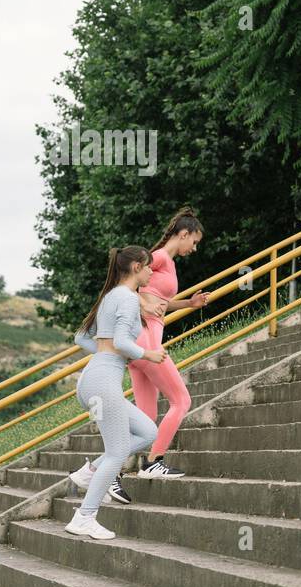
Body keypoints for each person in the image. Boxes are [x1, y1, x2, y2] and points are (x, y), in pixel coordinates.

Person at [69, 208, 209, 493]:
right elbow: (128, 287)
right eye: (193, 241)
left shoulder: (166, 262)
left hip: (139, 346)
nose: (194, 248)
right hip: (145, 343)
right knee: (181, 400)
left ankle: (110, 473)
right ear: (183, 234)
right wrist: (143, 306)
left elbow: (155, 299)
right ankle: (153, 461)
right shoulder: (157, 257)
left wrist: (187, 305)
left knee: (146, 417)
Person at [66, 246, 166, 539]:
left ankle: (88, 473)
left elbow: (81, 337)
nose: (151, 271)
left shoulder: (113, 296)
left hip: (95, 380)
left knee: (147, 432)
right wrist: (149, 354)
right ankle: (84, 517)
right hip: (102, 382)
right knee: (118, 451)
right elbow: (122, 341)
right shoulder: (125, 297)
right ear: (136, 267)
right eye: (149, 267)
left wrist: (107, 352)